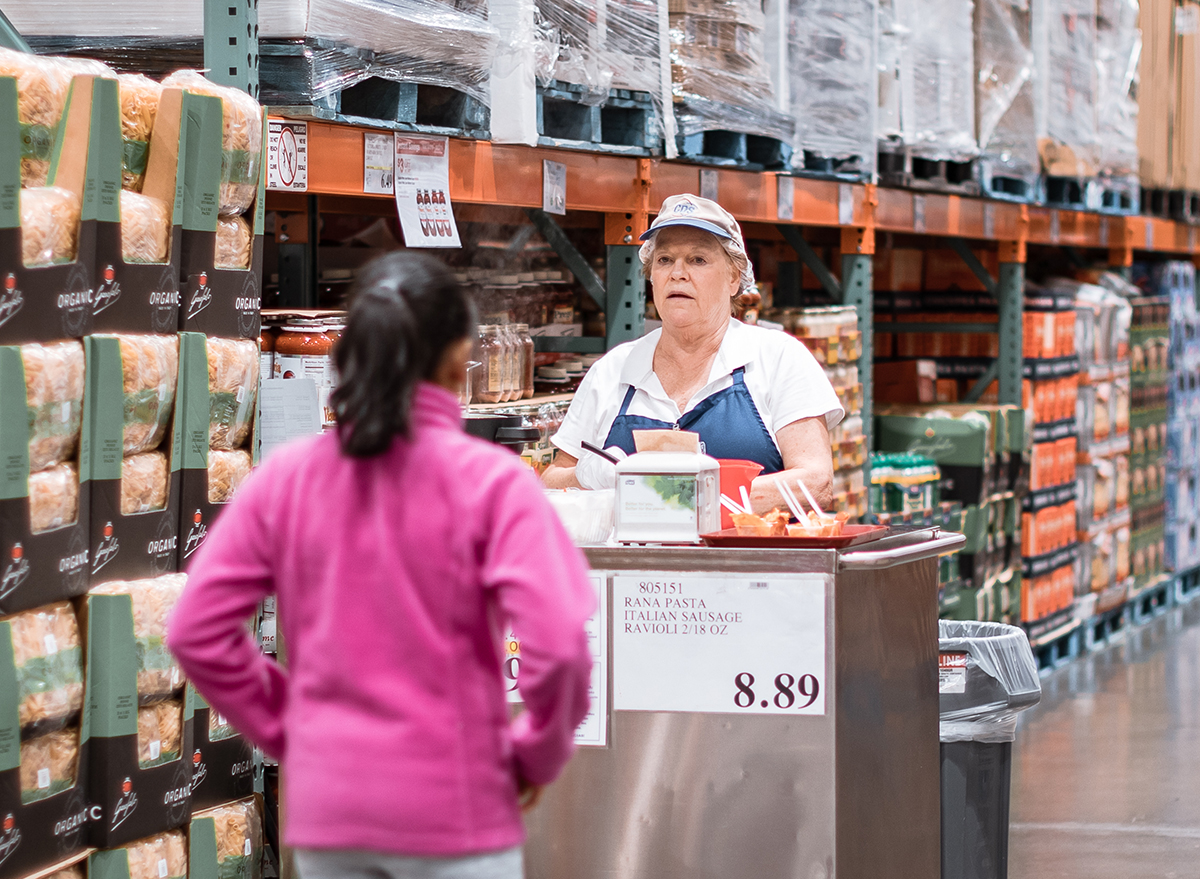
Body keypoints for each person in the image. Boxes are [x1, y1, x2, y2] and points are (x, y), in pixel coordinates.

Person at [167, 253, 595, 879]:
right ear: (457, 362)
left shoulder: (287, 478)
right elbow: (558, 647)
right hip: (459, 808)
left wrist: (293, 730)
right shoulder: (494, 485)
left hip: (331, 813)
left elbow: (195, 631)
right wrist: (533, 754)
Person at [543, 194, 843, 512]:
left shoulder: (778, 359)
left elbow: (815, 484)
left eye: (697, 260)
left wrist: (682, 498)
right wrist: (589, 476)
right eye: (664, 260)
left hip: (748, 562)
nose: (677, 273)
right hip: (634, 562)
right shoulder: (614, 370)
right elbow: (550, 483)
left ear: (732, 277)